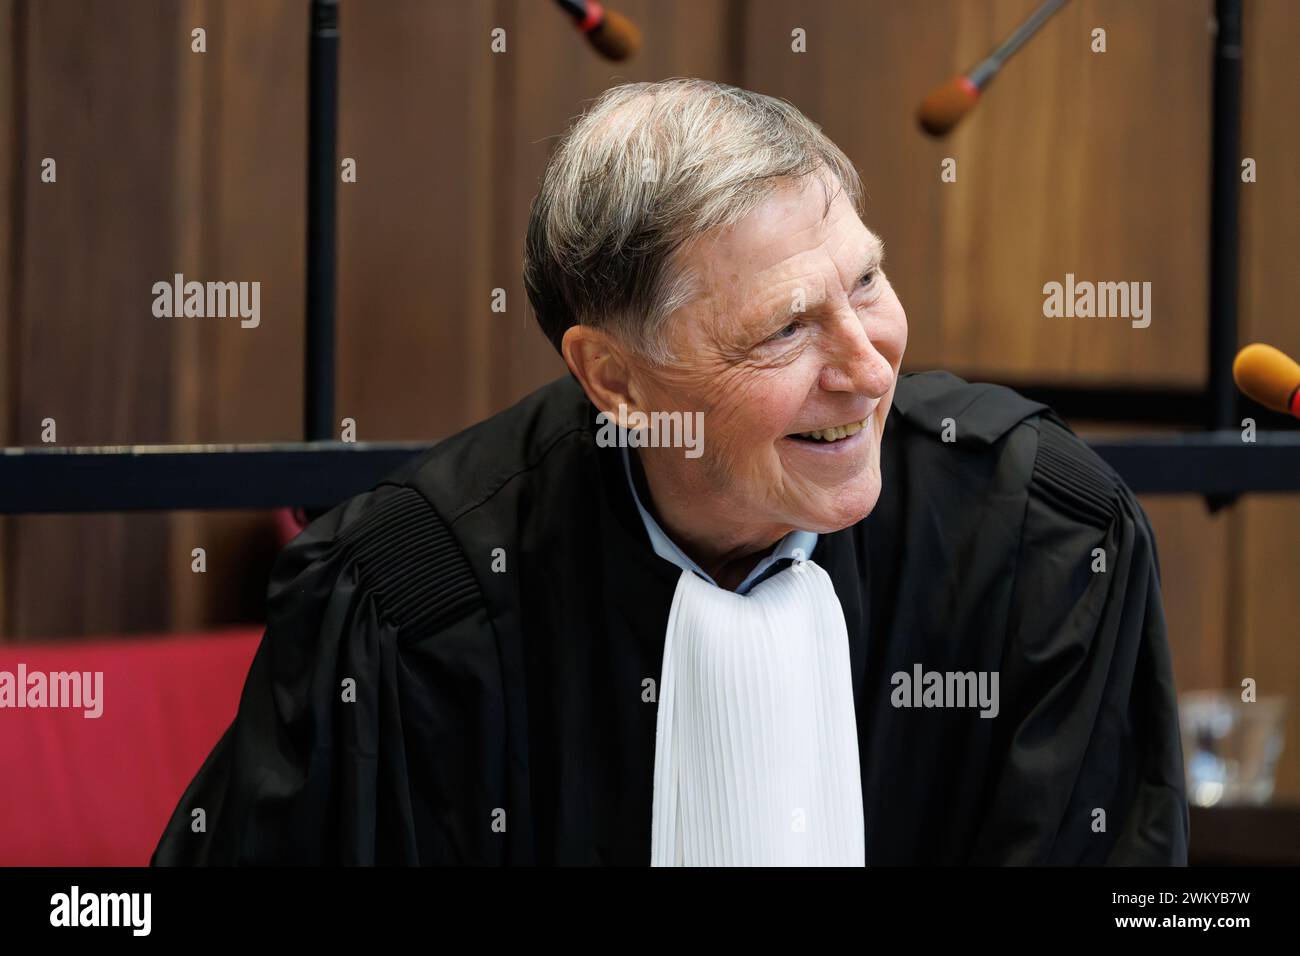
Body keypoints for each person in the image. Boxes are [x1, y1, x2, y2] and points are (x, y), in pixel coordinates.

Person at [153, 78, 1188, 866]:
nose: (871, 369)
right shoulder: (410, 604)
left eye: (866, 279)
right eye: (786, 328)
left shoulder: (1040, 539)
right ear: (614, 378)